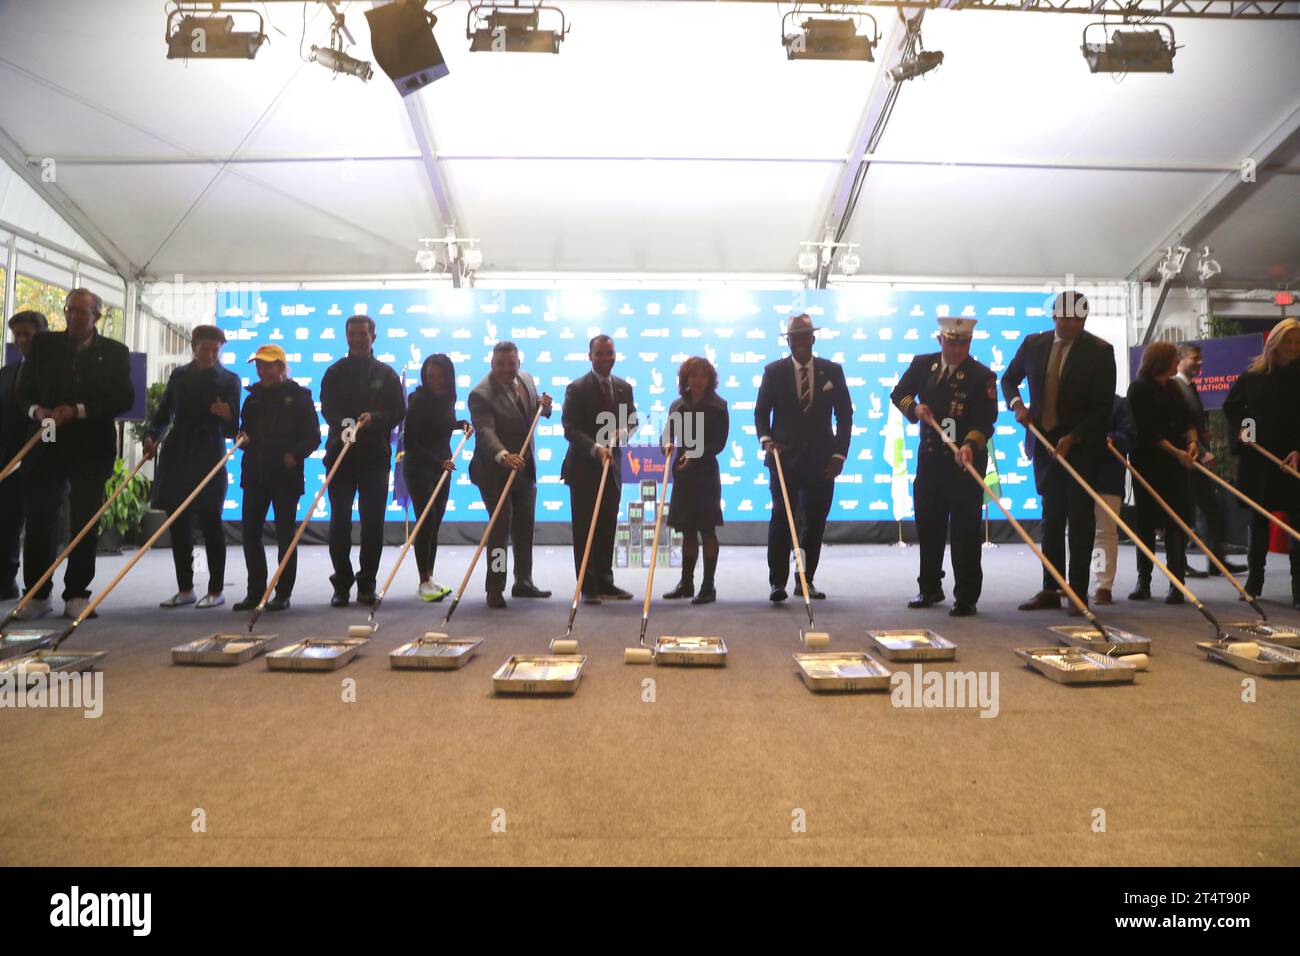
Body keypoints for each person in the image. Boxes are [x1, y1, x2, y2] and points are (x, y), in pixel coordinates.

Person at [14, 289, 134, 620]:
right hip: (47, 439)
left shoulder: (114, 352)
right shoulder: (43, 345)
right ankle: (37, 595)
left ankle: (77, 593)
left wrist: (78, 411)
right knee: (41, 519)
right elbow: (22, 393)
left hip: (91, 444)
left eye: (82, 312)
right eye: (70, 310)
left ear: (97, 316)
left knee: (84, 520)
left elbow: (123, 399)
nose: (74, 317)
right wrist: (38, 412)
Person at [1002, 291, 1116, 616]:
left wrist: (1075, 437)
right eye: (1065, 318)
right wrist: (1017, 405)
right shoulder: (1033, 344)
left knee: (1080, 521)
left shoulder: (1099, 351)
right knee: (1052, 520)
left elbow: (1102, 408)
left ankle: (1077, 593)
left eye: (1077, 319)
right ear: (1053, 316)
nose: (1070, 324)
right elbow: (1008, 380)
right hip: (1044, 446)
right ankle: (1051, 588)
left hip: (1080, 449)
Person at [890, 317, 997, 616]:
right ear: (940, 341)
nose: (956, 348)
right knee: (930, 527)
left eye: (962, 343)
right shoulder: (923, 365)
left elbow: (985, 422)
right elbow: (899, 394)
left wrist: (969, 445)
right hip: (930, 461)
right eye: (951, 342)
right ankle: (929, 587)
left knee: (964, 531)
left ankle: (966, 596)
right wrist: (914, 408)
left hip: (964, 462)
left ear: (969, 343)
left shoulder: (982, 376)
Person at [754, 313, 852, 602]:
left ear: (813, 338)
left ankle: (804, 579)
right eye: (794, 336)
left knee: (814, 521)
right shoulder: (774, 372)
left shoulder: (831, 371)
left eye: (804, 335)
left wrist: (839, 454)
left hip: (822, 461)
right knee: (782, 518)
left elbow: (845, 416)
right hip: (783, 459)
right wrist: (766, 439)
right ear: (788, 341)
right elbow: (761, 412)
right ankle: (778, 582)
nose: (799, 341)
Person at [143, 325, 241, 609]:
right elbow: (163, 413)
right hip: (177, 453)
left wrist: (228, 415)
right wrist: (151, 435)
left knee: (211, 522)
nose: (210, 355)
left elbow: (234, 429)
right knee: (179, 524)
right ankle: (185, 589)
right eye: (204, 349)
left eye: (215, 350)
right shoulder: (179, 375)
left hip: (210, 454)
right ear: (193, 348)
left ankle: (216, 589)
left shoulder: (229, 380)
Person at [319, 315, 406, 607]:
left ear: (373, 337)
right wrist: (350, 427)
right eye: (353, 334)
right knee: (339, 523)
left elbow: (398, 411)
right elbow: (329, 410)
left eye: (363, 334)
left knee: (372, 525)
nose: (358, 338)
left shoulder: (387, 373)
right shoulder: (334, 372)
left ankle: (367, 584)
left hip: (374, 460)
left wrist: (375, 419)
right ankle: (341, 584)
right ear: (346, 337)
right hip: (340, 458)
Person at [231, 344, 320, 612]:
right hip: (255, 475)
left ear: (281, 367)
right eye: (259, 366)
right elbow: (244, 431)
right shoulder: (252, 399)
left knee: (285, 536)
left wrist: (295, 453)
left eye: (268, 365)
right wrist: (241, 439)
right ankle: (255, 592)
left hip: (286, 476)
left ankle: (282, 592)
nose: (262, 370)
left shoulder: (300, 396)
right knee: (250, 534)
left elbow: (313, 437)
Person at [467, 341, 552, 608]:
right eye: (500, 364)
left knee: (525, 526)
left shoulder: (525, 379)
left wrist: (544, 406)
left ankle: (523, 581)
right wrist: (504, 455)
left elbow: (535, 413)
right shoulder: (480, 394)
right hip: (494, 471)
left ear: (518, 363)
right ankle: (495, 586)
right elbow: (485, 432)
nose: (506, 369)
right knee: (500, 527)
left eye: (511, 364)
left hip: (524, 470)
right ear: (492, 363)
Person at [1222, 318, 1300, 606]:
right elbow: (1233, 408)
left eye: (1297, 342)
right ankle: (1254, 584)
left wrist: (1299, 449)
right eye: (1288, 341)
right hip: (1260, 460)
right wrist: (1248, 432)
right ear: (1275, 343)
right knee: (1258, 523)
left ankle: (1299, 590)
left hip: (1292, 461)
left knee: (1297, 526)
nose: (1293, 347)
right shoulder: (1253, 376)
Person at [561, 334, 637, 605]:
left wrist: (624, 432)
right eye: (601, 353)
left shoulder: (624, 388)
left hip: (613, 469)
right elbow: (570, 428)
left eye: (610, 352)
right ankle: (587, 585)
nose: (606, 358)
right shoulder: (576, 388)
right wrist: (596, 448)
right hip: (583, 469)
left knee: (606, 527)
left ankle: (605, 581)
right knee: (585, 529)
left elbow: (633, 421)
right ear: (590, 356)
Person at [1126, 342, 1198, 603]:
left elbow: (1190, 420)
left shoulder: (1175, 388)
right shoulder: (1139, 389)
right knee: (1146, 524)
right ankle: (1143, 581)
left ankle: (1177, 584)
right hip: (1149, 463)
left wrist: (1190, 442)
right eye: (1173, 358)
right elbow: (1147, 431)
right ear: (1161, 361)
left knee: (1176, 522)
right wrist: (1176, 451)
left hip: (1176, 466)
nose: (1176, 361)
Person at [402, 354, 473, 602]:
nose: (436, 381)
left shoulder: (447, 399)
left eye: (440, 376)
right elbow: (410, 443)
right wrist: (437, 462)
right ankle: (423, 581)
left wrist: (461, 424)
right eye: (431, 376)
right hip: (419, 467)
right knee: (426, 521)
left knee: (435, 523)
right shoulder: (418, 401)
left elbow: (442, 426)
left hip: (443, 468)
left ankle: (430, 577)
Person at [1173, 342, 1246, 577]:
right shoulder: (1176, 388)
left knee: (1212, 511)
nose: (1200, 362)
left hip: (1197, 460)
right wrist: (1202, 450)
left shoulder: (1190, 387)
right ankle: (1180, 564)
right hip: (1186, 461)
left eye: (1200, 358)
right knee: (1185, 513)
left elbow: (1193, 422)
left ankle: (1216, 560)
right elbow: (1181, 426)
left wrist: (1203, 435)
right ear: (1180, 360)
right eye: (1194, 358)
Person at [661, 356, 729, 605]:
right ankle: (686, 583)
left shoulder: (719, 406)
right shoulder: (677, 406)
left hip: (706, 475)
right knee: (687, 530)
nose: (698, 380)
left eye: (703, 376)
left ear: (710, 379)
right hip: (683, 475)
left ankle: (708, 586)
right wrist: (667, 444)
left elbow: (719, 443)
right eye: (693, 376)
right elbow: (667, 435)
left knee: (707, 530)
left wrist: (695, 451)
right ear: (685, 379)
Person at [0, 310, 48, 600]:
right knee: (6, 521)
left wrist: (44, 447)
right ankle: (5, 580)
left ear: (40, 337)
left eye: (27, 334)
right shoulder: (7, 372)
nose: (21, 340)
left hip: (40, 460)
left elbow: (51, 421)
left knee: (38, 526)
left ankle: (39, 590)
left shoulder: (53, 373)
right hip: (8, 458)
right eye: (17, 334)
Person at [1092, 395, 1136, 605]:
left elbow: (1130, 436)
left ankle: (1102, 584)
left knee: (1103, 533)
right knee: (1076, 531)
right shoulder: (1076, 402)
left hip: (1108, 477)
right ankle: (1075, 580)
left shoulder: (1118, 404)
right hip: (1078, 474)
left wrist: (1112, 439)